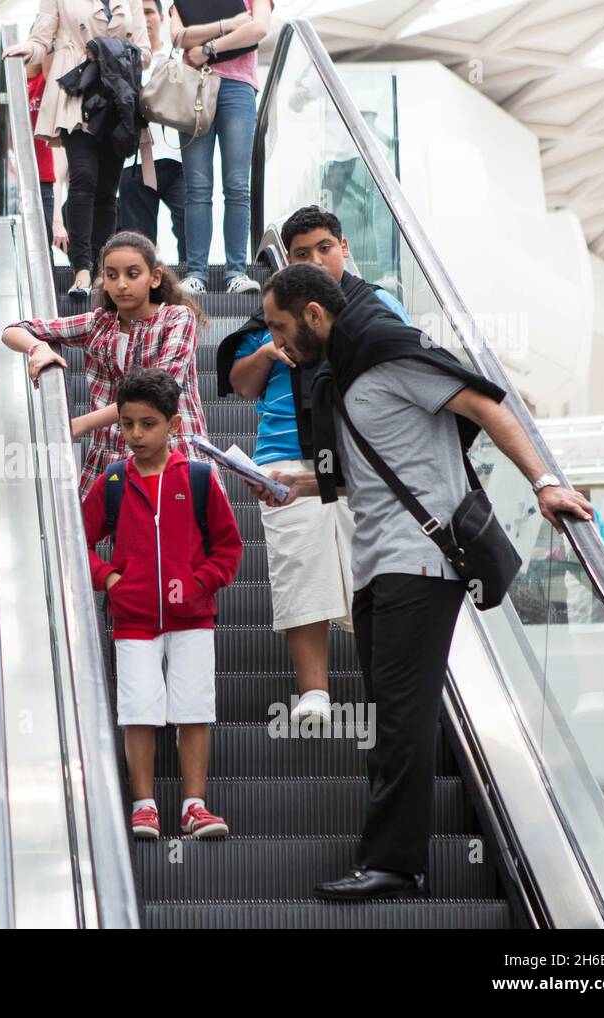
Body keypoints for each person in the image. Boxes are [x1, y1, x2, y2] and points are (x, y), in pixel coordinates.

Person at [254, 263, 593, 900]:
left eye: (279, 325)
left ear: (316, 315)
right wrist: (297, 485)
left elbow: (487, 401)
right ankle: (392, 859)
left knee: (403, 719)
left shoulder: (388, 353)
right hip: (377, 564)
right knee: (389, 714)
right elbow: (380, 470)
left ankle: (395, 865)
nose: (276, 340)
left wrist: (545, 482)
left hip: (420, 561)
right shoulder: (347, 374)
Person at [221, 205, 408, 724]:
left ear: (344, 247)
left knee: (367, 567)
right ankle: (315, 693)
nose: (316, 259)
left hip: (358, 456)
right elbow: (239, 384)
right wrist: (268, 354)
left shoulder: (377, 306)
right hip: (283, 453)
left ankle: (386, 690)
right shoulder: (273, 313)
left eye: (324, 247)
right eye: (302, 253)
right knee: (300, 563)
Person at [82, 368, 242, 839]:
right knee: (138, 710)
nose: (135, 434)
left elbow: (229, 549)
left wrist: (197, 584)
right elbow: (78, 542)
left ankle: (195, 806)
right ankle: (144, 805)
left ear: (174, 425)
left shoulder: (197, 478)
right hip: (133, 619)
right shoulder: (112, 481)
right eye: (128, 423)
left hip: (192, 617)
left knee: (193, 707)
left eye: (148, 424)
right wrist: (110, 579)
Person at [1, 230, 211, 499]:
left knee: (176, 535)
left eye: (132, 274)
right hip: (113, 452)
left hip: (172, 448)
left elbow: (157, 390)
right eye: (112, 275)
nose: (121, 284)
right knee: (116, 536)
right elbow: (13, 330)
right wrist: (38, 347)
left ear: (154, 277)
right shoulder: (98, 323)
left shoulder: (176, 318)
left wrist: (79, 425)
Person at [5, 0, 151, 299]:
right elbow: (41, 39)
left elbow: (145, 51)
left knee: (108, 190)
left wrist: (108, 50)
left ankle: (102, 271)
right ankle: (82, 269)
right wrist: (24, 50)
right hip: (76, 95)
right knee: (83, 179)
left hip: (117, 96)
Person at [169, 0, 272, 294]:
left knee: (237, 185)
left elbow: (259, 27)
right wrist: (229, 25)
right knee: (197, 187)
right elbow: (179, 38)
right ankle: (196, 273)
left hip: (237, 88)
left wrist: (208, 48)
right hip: (194, 87)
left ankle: (236, 272)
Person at [117, 1, 187, 264]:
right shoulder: (121, 59)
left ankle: (191, 285)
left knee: (188, 228)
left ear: (161, 16)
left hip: (177, 157)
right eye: (139, 13)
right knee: (138, 242)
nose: (145, 19)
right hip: (133, 162)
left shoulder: (177, 57)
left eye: (149, 12)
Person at [0, 53, 59, 230]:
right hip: (4, 178)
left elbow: (51, 75)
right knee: (1, 240)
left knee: (41, 237)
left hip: (39, 177)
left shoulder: (46, 83)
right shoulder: (9, 88)